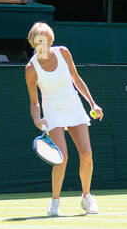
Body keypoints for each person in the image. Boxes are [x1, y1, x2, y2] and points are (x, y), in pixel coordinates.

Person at [25, 22, 101, 217]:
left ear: (51, 41)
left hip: (74, 106)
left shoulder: (64, 53)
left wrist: (93, 104)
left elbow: (76, 79)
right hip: (53, 111)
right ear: (33, 42)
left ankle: (86, 197)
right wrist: (37, 119)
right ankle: (55, 202)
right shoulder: (31, 69)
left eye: (46, 41)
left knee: (86, 153)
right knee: (62, 157)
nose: (43, 45)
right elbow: (34, 101)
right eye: (38, 41)